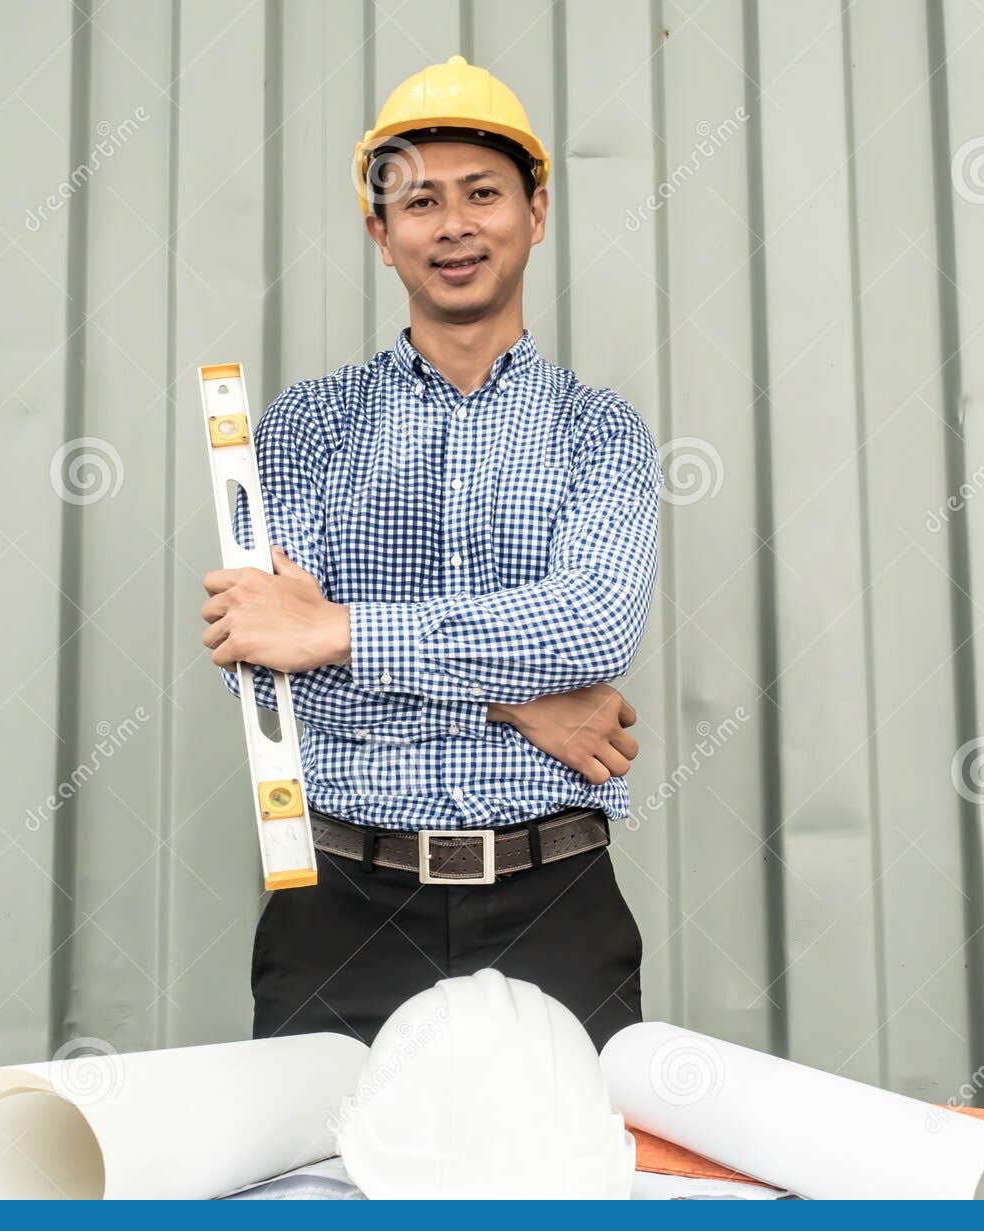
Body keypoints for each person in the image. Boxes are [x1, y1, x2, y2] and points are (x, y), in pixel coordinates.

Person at [198, 54, 662, 1052]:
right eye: (419, 202)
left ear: (535, 212)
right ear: (382, 234)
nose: (454, 224)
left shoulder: (600, 431)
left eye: (482, 193)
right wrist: (524, 698)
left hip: (554, 898)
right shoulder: (306, 428)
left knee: (570, 1153)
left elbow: (593, 626)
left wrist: (333, 630)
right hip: (340, 908)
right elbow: (265, 673)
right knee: (316, 1154)